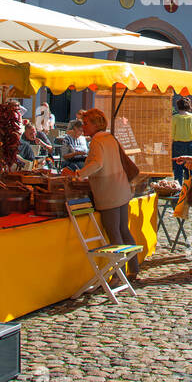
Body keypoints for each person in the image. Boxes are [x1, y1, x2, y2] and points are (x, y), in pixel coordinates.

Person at [67, 108, 139, 280]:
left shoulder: (97, 141)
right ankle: (133, 269)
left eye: (86, 123)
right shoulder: (109, 137)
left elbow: (98, 163)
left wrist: (79, 174)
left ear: (95, 124)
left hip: (109, 192)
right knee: (123, 230)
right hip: (121, 189)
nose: (83, 127)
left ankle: (118, 274)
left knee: (114, 232)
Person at [171, 97, 192, 183]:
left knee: (177, 169)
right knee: (190, 169)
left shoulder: (174, 118)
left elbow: (171, 133)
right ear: (189, 106)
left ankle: (177, 190)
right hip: (191, 145)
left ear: (178, 106)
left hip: (177, 144)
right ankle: (189, 189)